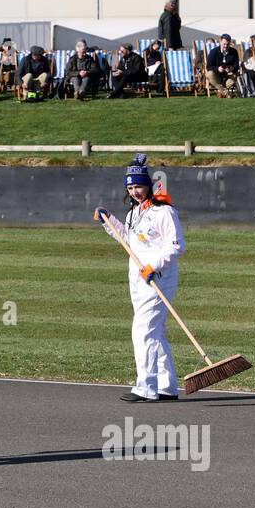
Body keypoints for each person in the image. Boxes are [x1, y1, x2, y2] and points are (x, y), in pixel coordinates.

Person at [95, 154, 184, 404]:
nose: (135, 191)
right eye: (131, 187)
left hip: (159, 278)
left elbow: (176, 246)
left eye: (139, 186)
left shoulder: (164, 212)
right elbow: (128, 239)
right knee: (155, 332)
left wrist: (153, 265)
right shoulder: (134, 212)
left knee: (142, 330)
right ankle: (167, 386)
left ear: (149, 186)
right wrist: (109, 221)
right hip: (137, 280)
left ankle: (146, 387)